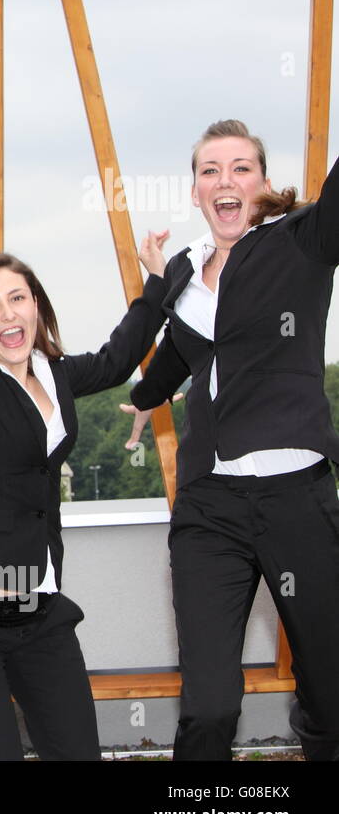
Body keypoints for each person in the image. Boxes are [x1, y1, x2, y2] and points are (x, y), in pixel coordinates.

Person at [0, 118, 169, 760]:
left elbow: (121, 356)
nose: (7, 314)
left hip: (42, 613)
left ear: (36, 306)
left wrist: (157, 283)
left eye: (18, 298)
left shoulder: (58, 375)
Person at [123, 119, 339, 761]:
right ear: (194, 190)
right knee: (210, 704)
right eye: (210, 170)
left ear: (263, 184)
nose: (226, 181)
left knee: (329, 689)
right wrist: (141, 398)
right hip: (209, 509)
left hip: (296, 501)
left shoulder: (301, 240)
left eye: (241, 168)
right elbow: (174, 362)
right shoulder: (184, 271)